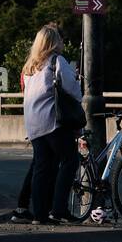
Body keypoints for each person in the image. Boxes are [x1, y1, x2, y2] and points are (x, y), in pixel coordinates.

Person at [20, 24, 82, 225]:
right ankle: (59, 209)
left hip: (33, 124)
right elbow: (73, 90)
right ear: (53, 42)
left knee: (41, 168)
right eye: (59, 39)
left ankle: (39, 214)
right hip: (52, 121)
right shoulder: (56, 61)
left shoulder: (30, 67)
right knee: (70, 161)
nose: (62, 42)